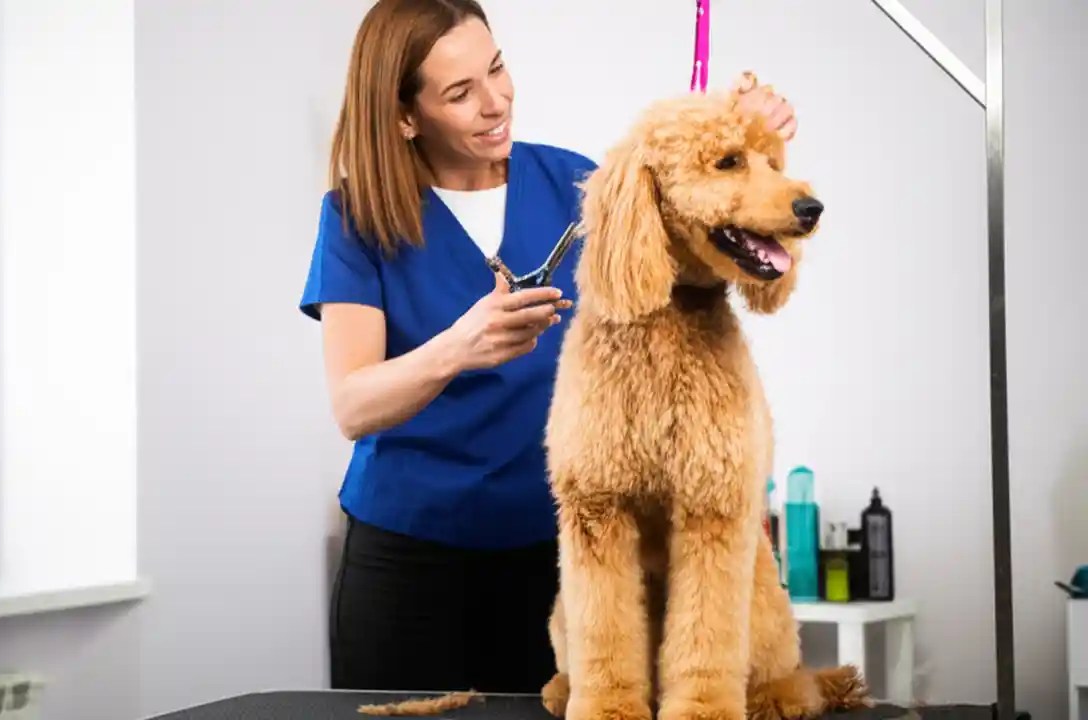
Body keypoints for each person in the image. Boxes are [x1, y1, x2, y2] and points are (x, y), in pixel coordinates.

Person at [298, 0, 799, 695]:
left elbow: (695, 239)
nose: (495, 101)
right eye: (459, 92)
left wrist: (739, 141)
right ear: (405, 117)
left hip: (555, 562)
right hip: (406, 567)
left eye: (497, 69)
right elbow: (352, 405)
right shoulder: (357, 218)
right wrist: (456, 348)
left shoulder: (578, 187)